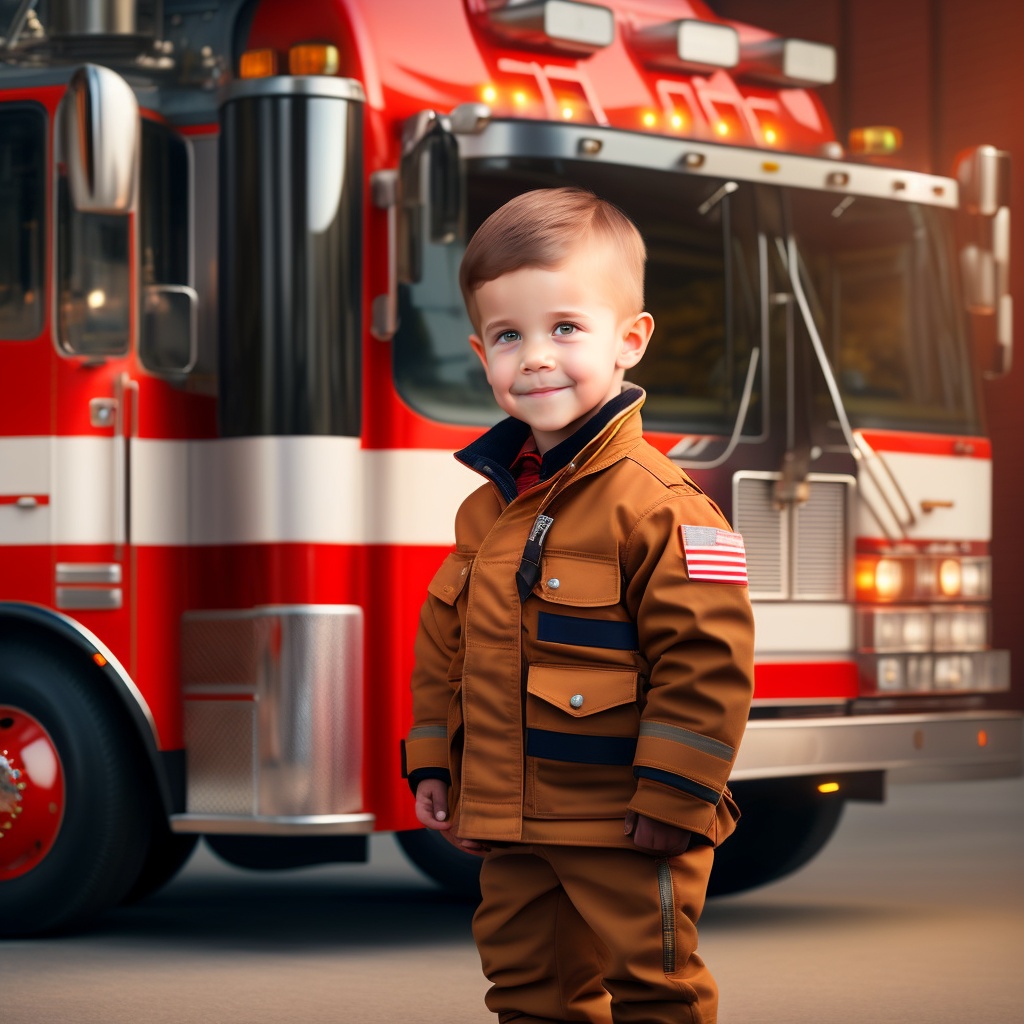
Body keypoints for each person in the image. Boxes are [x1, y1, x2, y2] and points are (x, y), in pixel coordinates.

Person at [402, 187, 755, 1024]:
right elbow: (445, 649)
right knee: (525, 990)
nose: (535, 357)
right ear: (479, 351)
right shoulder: (485, 511)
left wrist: (675, 795)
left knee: (654, 990)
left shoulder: (664, 505)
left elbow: (707, 661)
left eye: (566, 328)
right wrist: (433, 760)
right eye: (507, 335)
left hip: (625, 822)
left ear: (630, 340)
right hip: (511, 820)